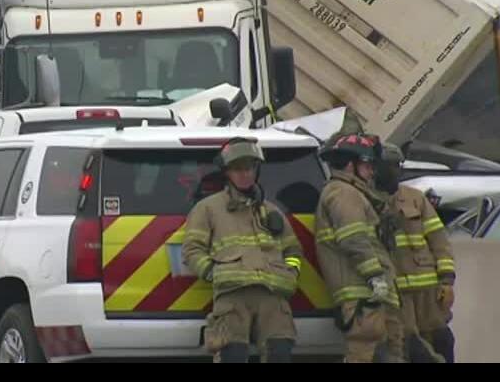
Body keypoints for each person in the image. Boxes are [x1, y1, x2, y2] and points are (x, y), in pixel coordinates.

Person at [182, 138, 302, 363]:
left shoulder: (271, 210)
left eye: (249, 168)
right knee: (232, 354)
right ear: (227, 173)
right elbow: (192, 250)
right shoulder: (208, 208)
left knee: (280, 352)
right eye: (238, 169)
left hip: (273, 296)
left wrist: (291, 271)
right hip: (232, 297)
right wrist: (212, 272)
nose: (245, 174)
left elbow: (293, 249)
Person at [314, 132, 404, 362]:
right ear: (349, 164)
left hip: (374, 292)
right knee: (364, 352)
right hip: (364, 292)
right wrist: (374, 275)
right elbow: (353, 238)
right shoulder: (343, 192)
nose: (372, 170)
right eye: (366, 164)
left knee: (392, 349)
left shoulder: (356, 193)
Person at [374, 143, 456, 363]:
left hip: (428, 292)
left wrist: (447, 280)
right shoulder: (368, 201)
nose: (392, 171)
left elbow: (439, 240)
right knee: (411, 347)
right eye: (387, 166)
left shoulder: (415, 199)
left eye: (396, 166)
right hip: (397, 294)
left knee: (442, 340)